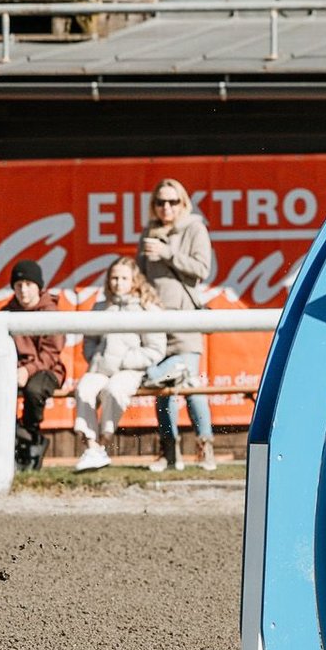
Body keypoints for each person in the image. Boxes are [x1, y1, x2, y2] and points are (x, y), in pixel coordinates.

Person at [138, 178, 217, 472]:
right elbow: (140, 277)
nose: (166, 207)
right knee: (162, 390)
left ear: (183, 202)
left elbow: (202, 269)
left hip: (185, 321)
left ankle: (204, 446)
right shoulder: (149, 232)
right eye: (160, 202)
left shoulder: (195, 228)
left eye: (172, 201)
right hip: (156, 323)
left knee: (191, 387)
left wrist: (167, 253)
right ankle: (169, 452)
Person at [74, 258, 167, 472]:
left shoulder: (146, 309)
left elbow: (155, 349)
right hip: (100, 368)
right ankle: (91, 446)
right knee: (83, 389)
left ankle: (103, 444)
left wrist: (125, 360)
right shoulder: (100, 308)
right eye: (114, 278)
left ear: (134, 280)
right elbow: (90, 339)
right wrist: (96, 357)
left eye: (124, 278)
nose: (118, 283)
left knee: (114, 391)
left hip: (130, 370)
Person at [1, 259, 65, 472]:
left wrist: (27, 370)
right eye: (18, 285)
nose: (23, 290)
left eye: (29, 284)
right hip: (12, 371)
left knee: (34, 390)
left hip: (47, 370)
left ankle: (31, 437)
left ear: (39, 286)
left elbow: (51, 354)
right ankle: (20, 437)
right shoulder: (5, 314)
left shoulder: (50, 313)